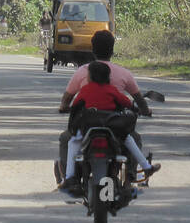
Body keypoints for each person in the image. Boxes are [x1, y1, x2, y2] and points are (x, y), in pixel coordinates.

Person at [57, 30, 158, 188]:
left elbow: (69, 100)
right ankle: (131, 176)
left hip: (86, 126)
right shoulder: (123, 74)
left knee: (66, 139)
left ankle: (70, 178)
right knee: (134, 138)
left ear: (92, 49)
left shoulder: (83, 72)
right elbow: (135, 101)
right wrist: (143, 110)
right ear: (112, 50)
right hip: (115, 126)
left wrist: (64, 108)